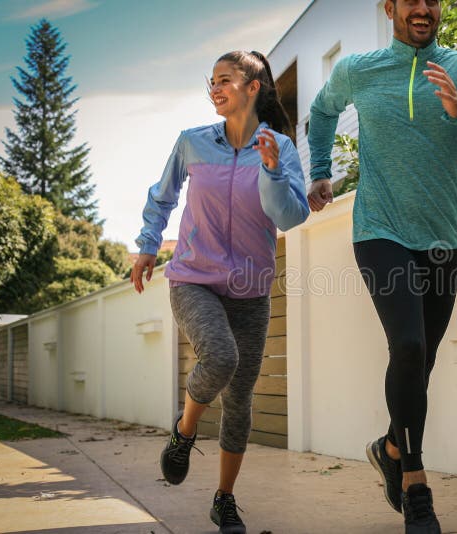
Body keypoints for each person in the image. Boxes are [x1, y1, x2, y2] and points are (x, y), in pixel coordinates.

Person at [307, 0, 457, 532]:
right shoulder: (359, 68)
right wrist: (322, 171)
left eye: (432, 0)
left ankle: (391, 446)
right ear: (390, 7)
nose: (422, 8)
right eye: (411, 0)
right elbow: (323, 109)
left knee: (421, 365)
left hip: (442, 238)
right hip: (379, 229)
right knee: (410, 344)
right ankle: (417, 483)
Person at [131, 50, 309, 534]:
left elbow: (291, 217)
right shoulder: (193, 143)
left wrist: (271, 168)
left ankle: (224, 500)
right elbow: (162, 194)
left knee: (241, 399)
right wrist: (149, 245)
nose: (215, 87)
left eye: (225, 80)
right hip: (192, 278)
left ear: (253, 87)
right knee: (222, 358)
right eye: (211, 81)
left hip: (251, 289)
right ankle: (185, 430)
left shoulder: (280, 149)